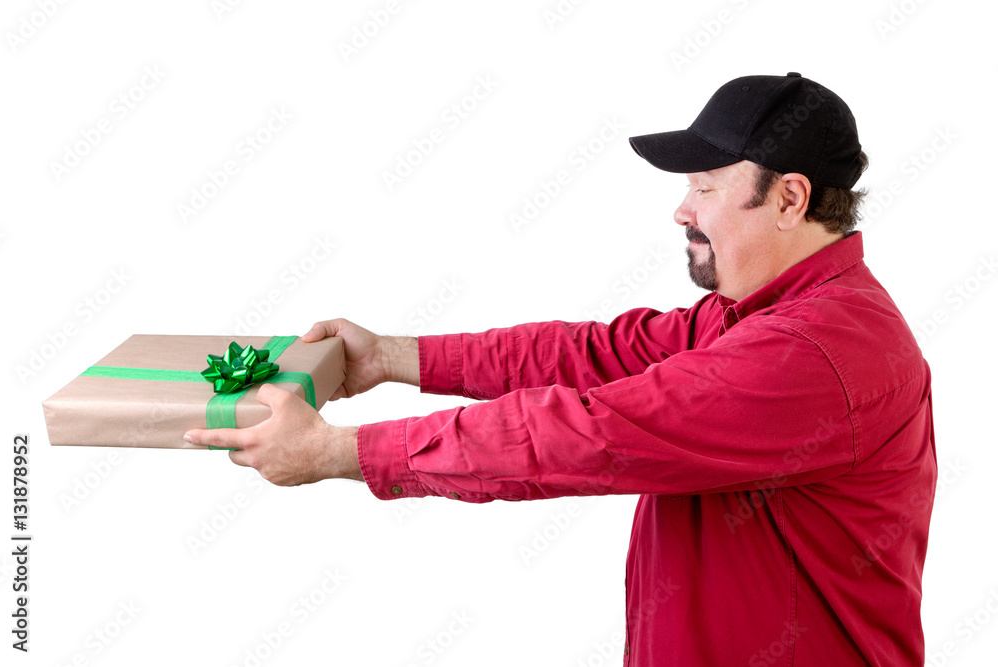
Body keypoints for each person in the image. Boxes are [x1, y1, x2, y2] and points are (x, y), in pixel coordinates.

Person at [185, 72, 937, 666]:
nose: (682, 210)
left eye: (705, 185)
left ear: (790, 198)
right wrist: (393, 357)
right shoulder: (759, 314)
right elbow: (593, 356)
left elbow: (589, 432)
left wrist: (337, 451)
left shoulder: (814, 353)